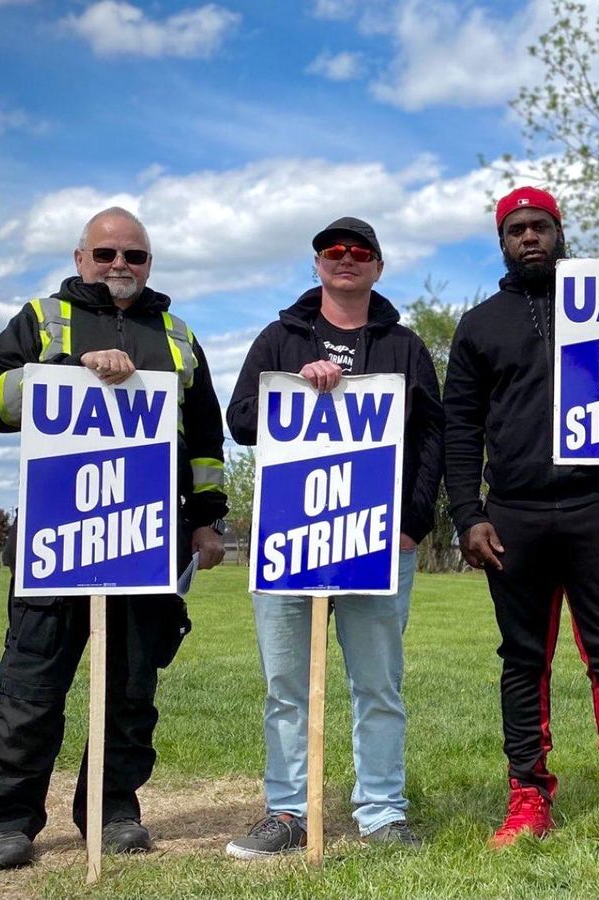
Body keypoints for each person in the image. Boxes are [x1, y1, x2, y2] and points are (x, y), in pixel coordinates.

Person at [0, 207, 228, 870]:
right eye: (107, 253)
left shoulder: (175, 334)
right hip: (59, 538)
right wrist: (72, 371)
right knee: (30, 687)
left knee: (131, 689)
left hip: (147, 539)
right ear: (81, 257)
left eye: (134, 256)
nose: (120, 266)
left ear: (150, 263)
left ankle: (112, 811)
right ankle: (4, 822)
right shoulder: (42, 318)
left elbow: (204, 438)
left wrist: (206, 519)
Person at [443, 187, 599, 860]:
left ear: (560, 231)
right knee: (523, 660)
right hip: (513, 513)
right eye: (517, 230)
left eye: (541, 226)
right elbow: (459, 427)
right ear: (502, 242)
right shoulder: (480, 325)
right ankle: (528, 796)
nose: (530, 237)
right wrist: (468, 516)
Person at [224, 217, 443, 857]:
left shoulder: (403, 346)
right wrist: (298, 384)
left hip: (378, 542)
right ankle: (288, 812)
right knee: (285, 685)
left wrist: (413, 523)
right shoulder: (279, 337)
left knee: (378, 685)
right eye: (333, 251)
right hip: (289, 541)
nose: (346, 259)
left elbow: (433, 435)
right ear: (317, 263)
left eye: (360, 252)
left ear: (378, 266)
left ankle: (381, 812)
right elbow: (241, 421)